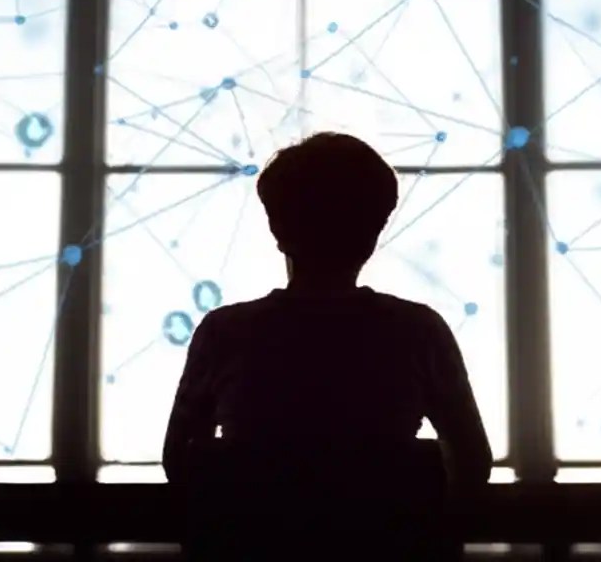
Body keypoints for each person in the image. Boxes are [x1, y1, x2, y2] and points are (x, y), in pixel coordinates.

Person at [161, 132, 493, 488]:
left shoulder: (224, 333)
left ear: (278, 227)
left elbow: (180, 461)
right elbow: (473, 462)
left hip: (254, 542)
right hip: (387, 542)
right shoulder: (420, 332)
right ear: (374, 231)